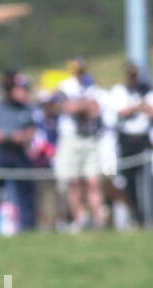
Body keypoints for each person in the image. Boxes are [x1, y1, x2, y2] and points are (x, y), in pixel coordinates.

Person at [0, 71, 37, 233]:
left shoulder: (25, 109)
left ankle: (28, 228)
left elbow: (32, 130)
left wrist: (22, 137)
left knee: (25, 192)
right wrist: (5, 136)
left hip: (19, 155)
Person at [54, 58, 107, 231]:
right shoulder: (65, 86)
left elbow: (96, 108)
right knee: (74, 182)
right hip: (71, 139)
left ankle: (99, 219)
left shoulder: (92, 86)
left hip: (90, 138)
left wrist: (81, 106)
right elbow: (67, 107)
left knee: (94, 181)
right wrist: (84, 105)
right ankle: (80, 218)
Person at [108, 62, 153, 226]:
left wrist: (138, 108)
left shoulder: (149, 91)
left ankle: (152, 215)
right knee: (128, 180)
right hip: (126, 139)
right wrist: (140, 106)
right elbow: (122, 111)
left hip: (144, 139)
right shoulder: (120, 91)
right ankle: (137, 216)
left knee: (148, 178)